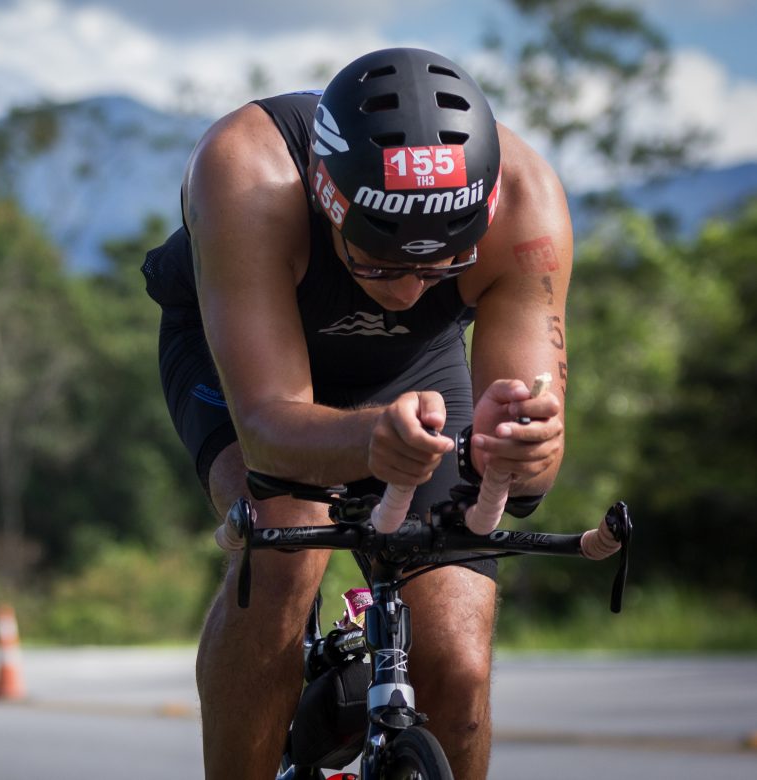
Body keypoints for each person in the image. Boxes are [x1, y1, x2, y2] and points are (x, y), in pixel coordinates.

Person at [142, 47, 569, 779]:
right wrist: (372, 435)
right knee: (286, 545)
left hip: (414, 369)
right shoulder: (246, 172)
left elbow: (526, 483)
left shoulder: (526, 203)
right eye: (376, 262)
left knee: (458, 663)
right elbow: (272, 432)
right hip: (249, 363)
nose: (408, 291)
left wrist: (522, 451)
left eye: (441, 268)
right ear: (327, 198)